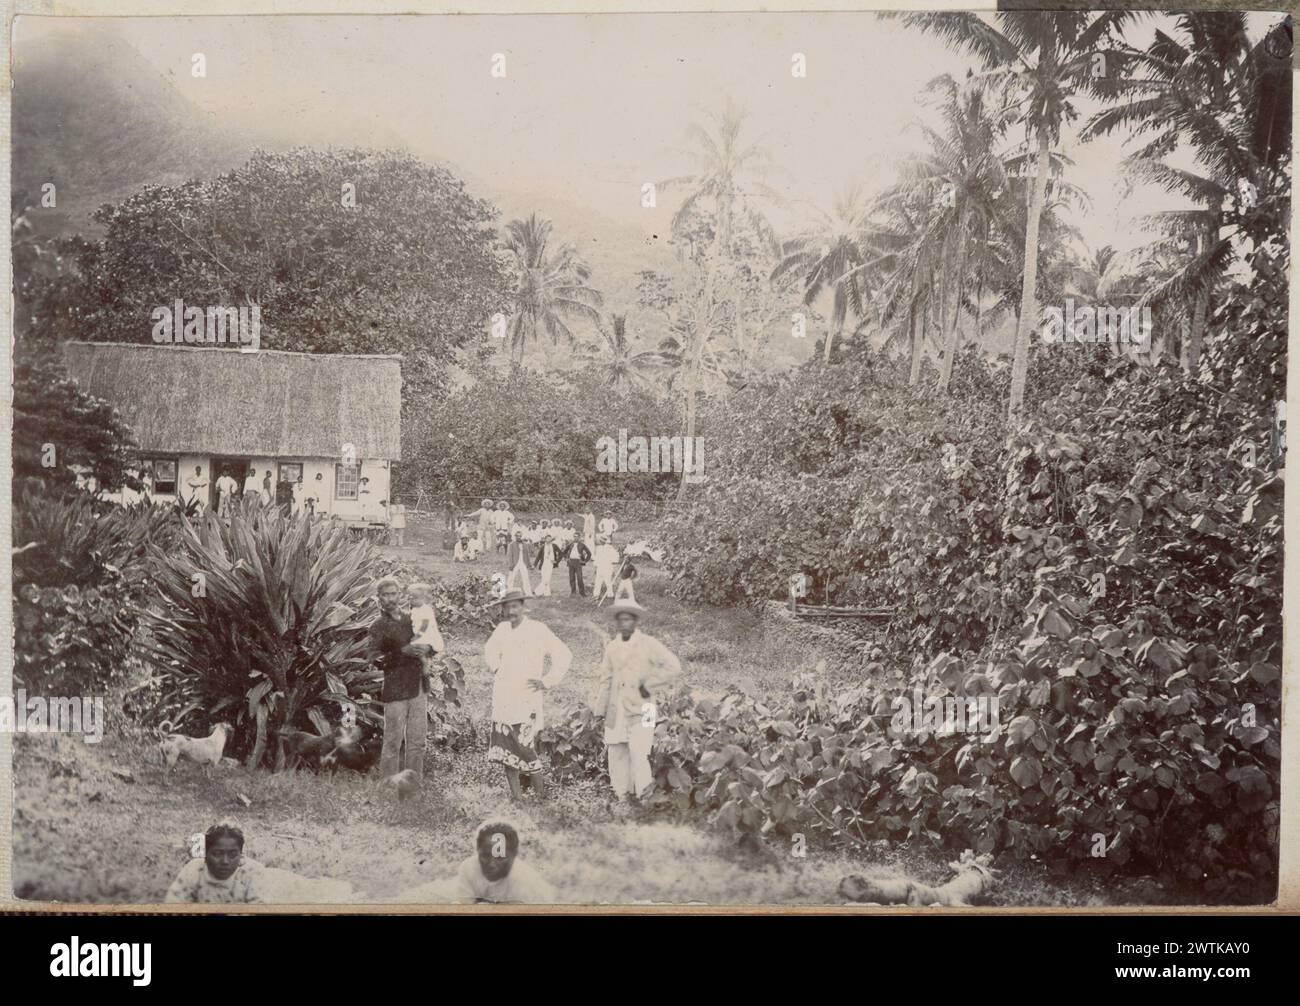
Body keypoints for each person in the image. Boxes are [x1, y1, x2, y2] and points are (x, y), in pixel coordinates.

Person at [589, 600, 682, 803]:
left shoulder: (648, 644)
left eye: (629, 619)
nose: (625, 624)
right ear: (616, 622)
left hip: (646, 707)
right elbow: (606, 680)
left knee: (640, 754)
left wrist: (649, 684)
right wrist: (599, 711)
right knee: (616, 752)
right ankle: (622, 796)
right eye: (621, 620)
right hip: (616, 707)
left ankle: (643, 799)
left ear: (636, 621)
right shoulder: (612, 647)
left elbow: (674, 667)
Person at [483, 591, 571, 801]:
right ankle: (517, 797)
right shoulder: (502, 629)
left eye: (515, 606)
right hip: (504, 697)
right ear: (502, 609)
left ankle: (540, 796)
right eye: (507, 607)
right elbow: (490, 650)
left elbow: (564, 653)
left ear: (523, 607)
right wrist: (497, 668)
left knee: (525, 747)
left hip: (526, 697)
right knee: (506, 748)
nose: (511, 611)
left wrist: (548, 680)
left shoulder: (537, 630)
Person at [368, 577, 434, 782]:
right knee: (392, 740)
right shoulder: (377, 626)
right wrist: (401, 652)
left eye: (393, 593)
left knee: (417, 740)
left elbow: (430, 640)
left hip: (418, 687)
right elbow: (373, 659)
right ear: (379, 598)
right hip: (395, 688)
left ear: (400, 595)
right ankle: (388, 784)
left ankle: (413, 784)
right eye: (385, 595)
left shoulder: (412, 618)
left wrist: (428, 649)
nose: (390, 599)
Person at [454, 820, 556, 904]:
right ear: (478, 850)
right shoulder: (468, 867)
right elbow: (464, 905)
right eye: (485, 855)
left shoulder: (527, 884)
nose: (491, 864)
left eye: (500, 857)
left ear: (514, 854)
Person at [165, 822, 266, 904]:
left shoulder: (253, 873)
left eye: (233, 854)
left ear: (241, 854)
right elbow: (172, 905)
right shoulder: (194, 871)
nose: (225, 861)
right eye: (217, 854)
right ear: (205, 854)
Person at [408, 582, 445, 692]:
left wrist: (417, 636)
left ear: (424, 599)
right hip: (418, 636)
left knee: (422, 657)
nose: (411, 600)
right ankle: (418, 674)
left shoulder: (426, 610)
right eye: (410, 597)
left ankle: (425, 678)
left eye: (415, 598)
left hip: (427, 637)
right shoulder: (414, 609)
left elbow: (424, 626)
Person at [591, 535, 619, 605]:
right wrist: (596, 567)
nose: (601, 541)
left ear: (605, 541)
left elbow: (616, 557)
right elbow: (596, 559)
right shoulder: (598, 548)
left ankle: (610, 595)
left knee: (608, 581)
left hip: (607, 567)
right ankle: (596, 595)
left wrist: (613, 565)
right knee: (598, 581)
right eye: (600, 540)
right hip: (600, 567)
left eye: (602, 540)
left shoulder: (610, 548)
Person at [505, 531, 534, 597]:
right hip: (515, 563)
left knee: (525, 577)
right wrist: (511, 564)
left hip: (523, 563)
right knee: (511, 578)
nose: (518, 537)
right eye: (517, 536)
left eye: (520, 536)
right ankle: (509, 592)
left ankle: (528, 593)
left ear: (521, 536)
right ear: (515, 536)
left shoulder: (525, 544)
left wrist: (529, 565)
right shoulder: (512, 544)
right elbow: (510, 555)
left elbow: (527, 555)